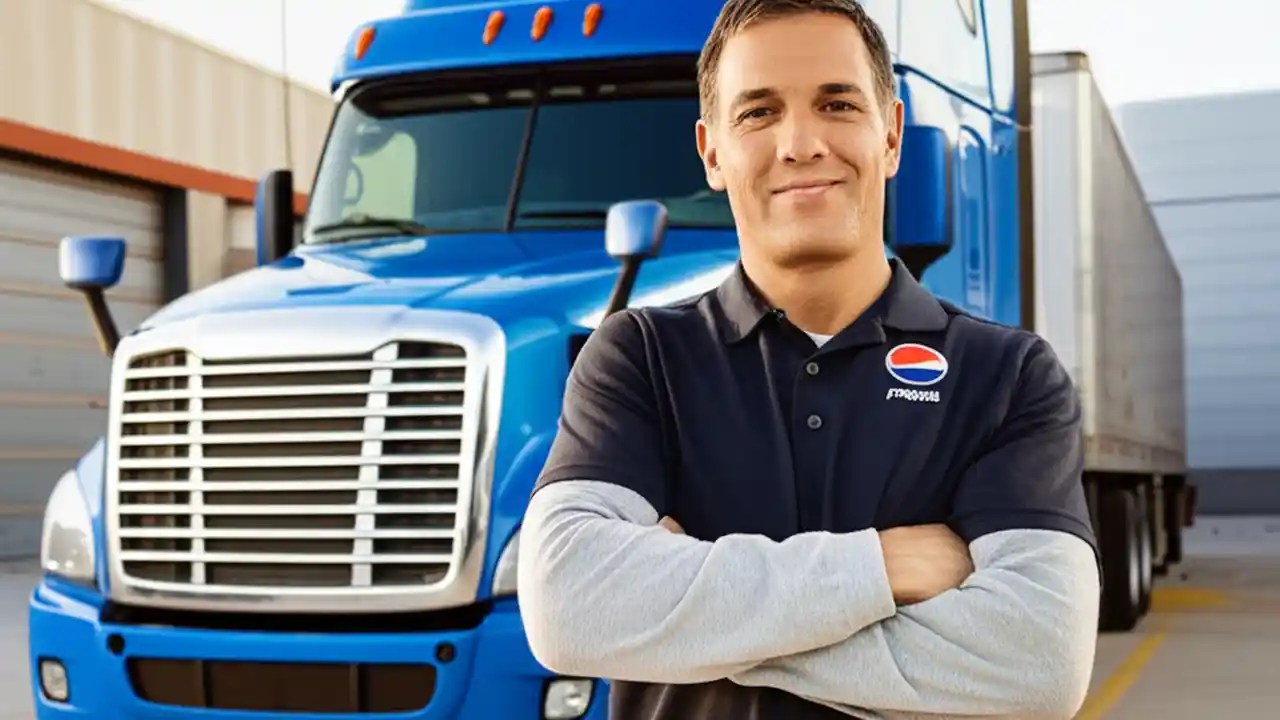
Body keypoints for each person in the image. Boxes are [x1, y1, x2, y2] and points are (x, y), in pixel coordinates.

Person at [517, 0, 1101, 717]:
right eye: (758, 113)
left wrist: (686, 618)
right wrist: (880, 569)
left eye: (836, 104)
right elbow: (569, 606)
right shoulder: (638, 357)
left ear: (890, 136)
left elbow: (1037, 663)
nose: (800, 143)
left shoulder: (1008, 376)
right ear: (711, 153)